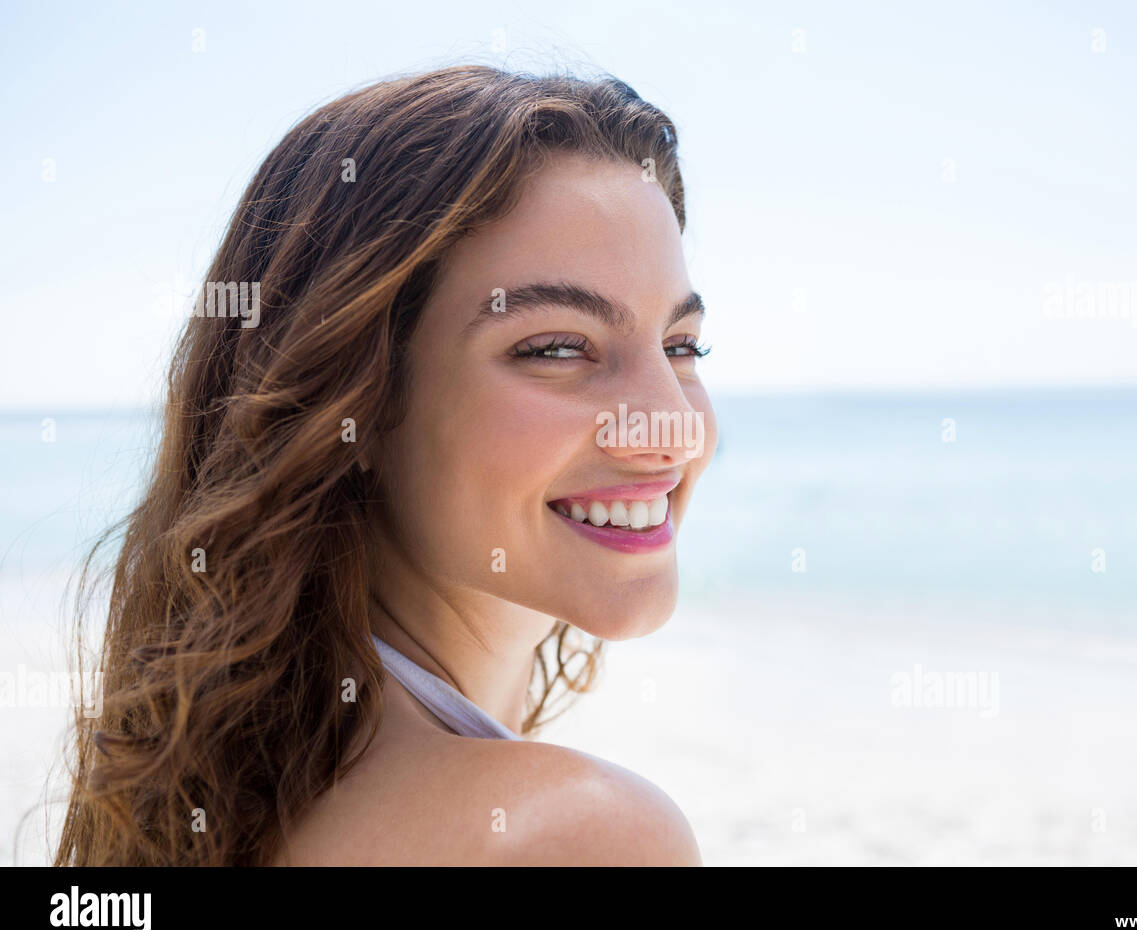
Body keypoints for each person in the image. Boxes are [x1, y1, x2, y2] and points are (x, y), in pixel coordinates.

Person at [55, 65, 717, 866]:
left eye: (682, 347)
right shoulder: (585, 836)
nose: (672, 426)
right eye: (556, 348)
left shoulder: (224, 792)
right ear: (356, 407)